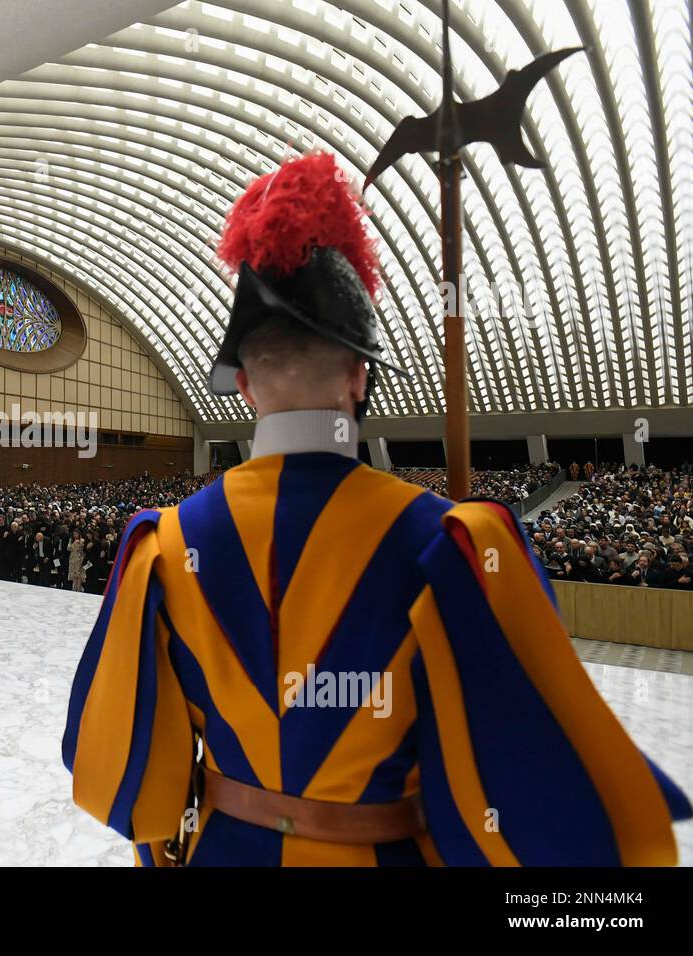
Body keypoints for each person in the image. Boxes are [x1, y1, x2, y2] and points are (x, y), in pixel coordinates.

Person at [62, 152, 690, 866]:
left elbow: (127, 777)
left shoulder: (165, 546)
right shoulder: (449, 542)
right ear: (359, 376)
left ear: (242, 385)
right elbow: (522, 783)